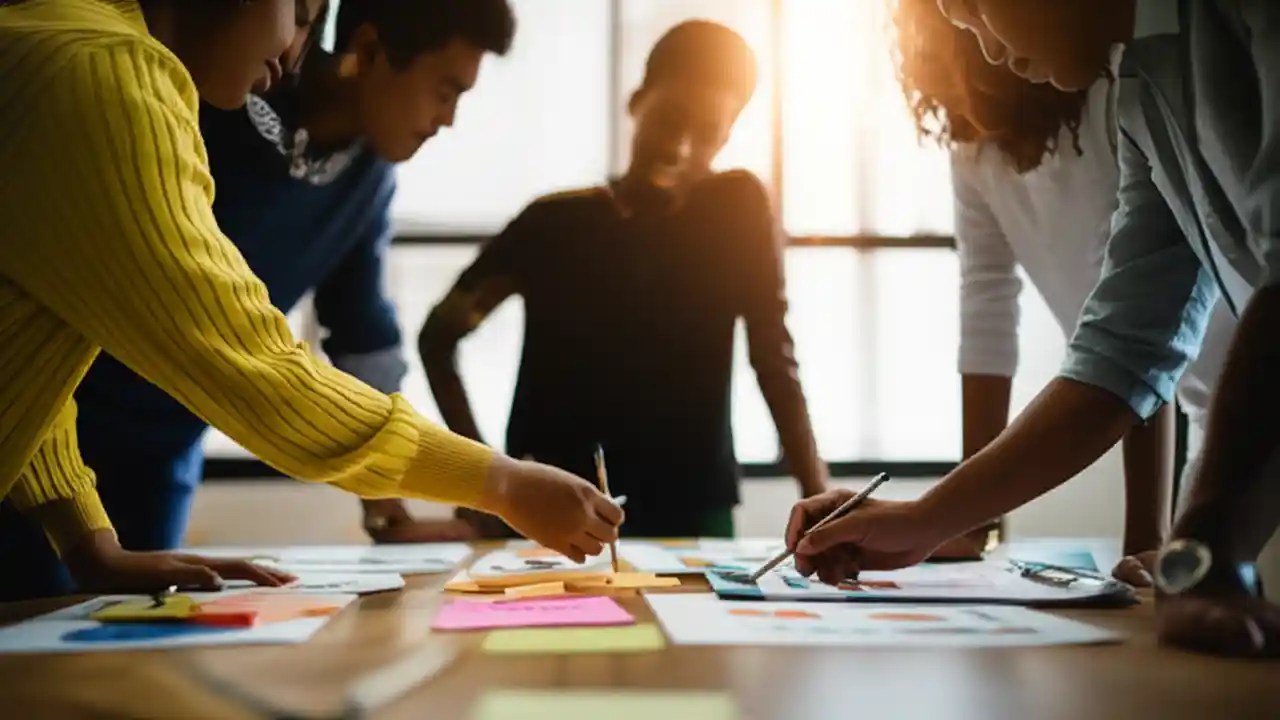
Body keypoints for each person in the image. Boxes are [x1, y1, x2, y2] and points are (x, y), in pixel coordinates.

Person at [0, 0, 621, 598]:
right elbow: (254, 362)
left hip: (109, 457)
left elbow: (31, 342)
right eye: (301, 10)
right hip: (90, 432)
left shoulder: (89, 51)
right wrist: (501, 482)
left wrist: (85, 538)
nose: (299, 47)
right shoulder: (132, 81)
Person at [788, 0, 1280, 658]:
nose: (985, 51)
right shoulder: (1138, 90)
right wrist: (928, 519)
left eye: (972, 12)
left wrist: (1196, 545)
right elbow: (1123, 353)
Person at [420, 20, 829, 539]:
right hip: (554, 514)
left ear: (727, 137)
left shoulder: (738, 214)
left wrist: (820, 499)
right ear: (637, 103)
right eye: (670, 120)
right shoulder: (551, 225)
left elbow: (775, 358)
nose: (680, 148)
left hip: (692, 513)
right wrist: (486, 484)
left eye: (707, 134)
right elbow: (438, 336)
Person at [892, 0, 1233, 583]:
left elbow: (1140, 340)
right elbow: (1002, 316)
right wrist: (959, 520)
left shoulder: (1124, 93)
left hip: (1234, 398)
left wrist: (1150, 535)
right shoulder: (980, 152)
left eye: (975, 20)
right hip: (1217, 419)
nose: (984, 49)